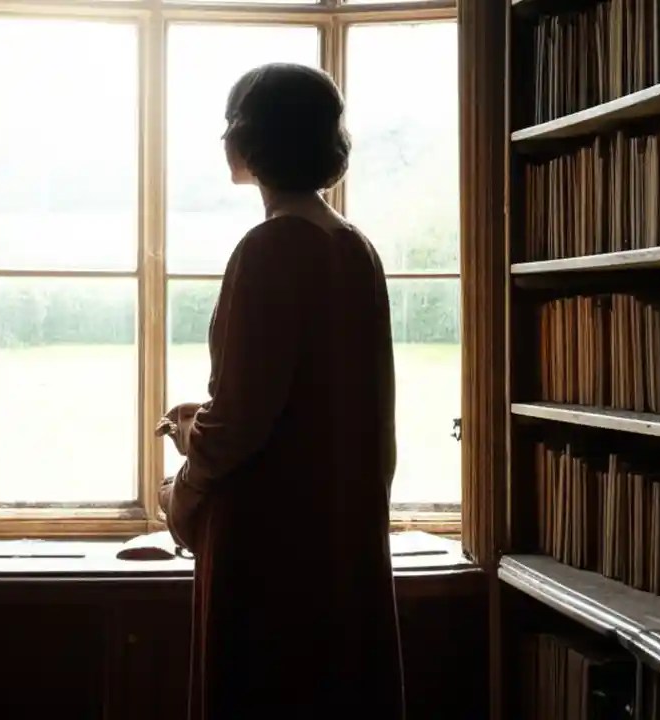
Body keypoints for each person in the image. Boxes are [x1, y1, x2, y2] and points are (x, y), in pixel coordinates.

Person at [156, 62, 404, 720]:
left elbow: (238, 428)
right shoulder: (356, 248)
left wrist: (186, 452)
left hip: (270, 546)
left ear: (247, 142)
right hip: (343, 534)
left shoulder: (270, 248)